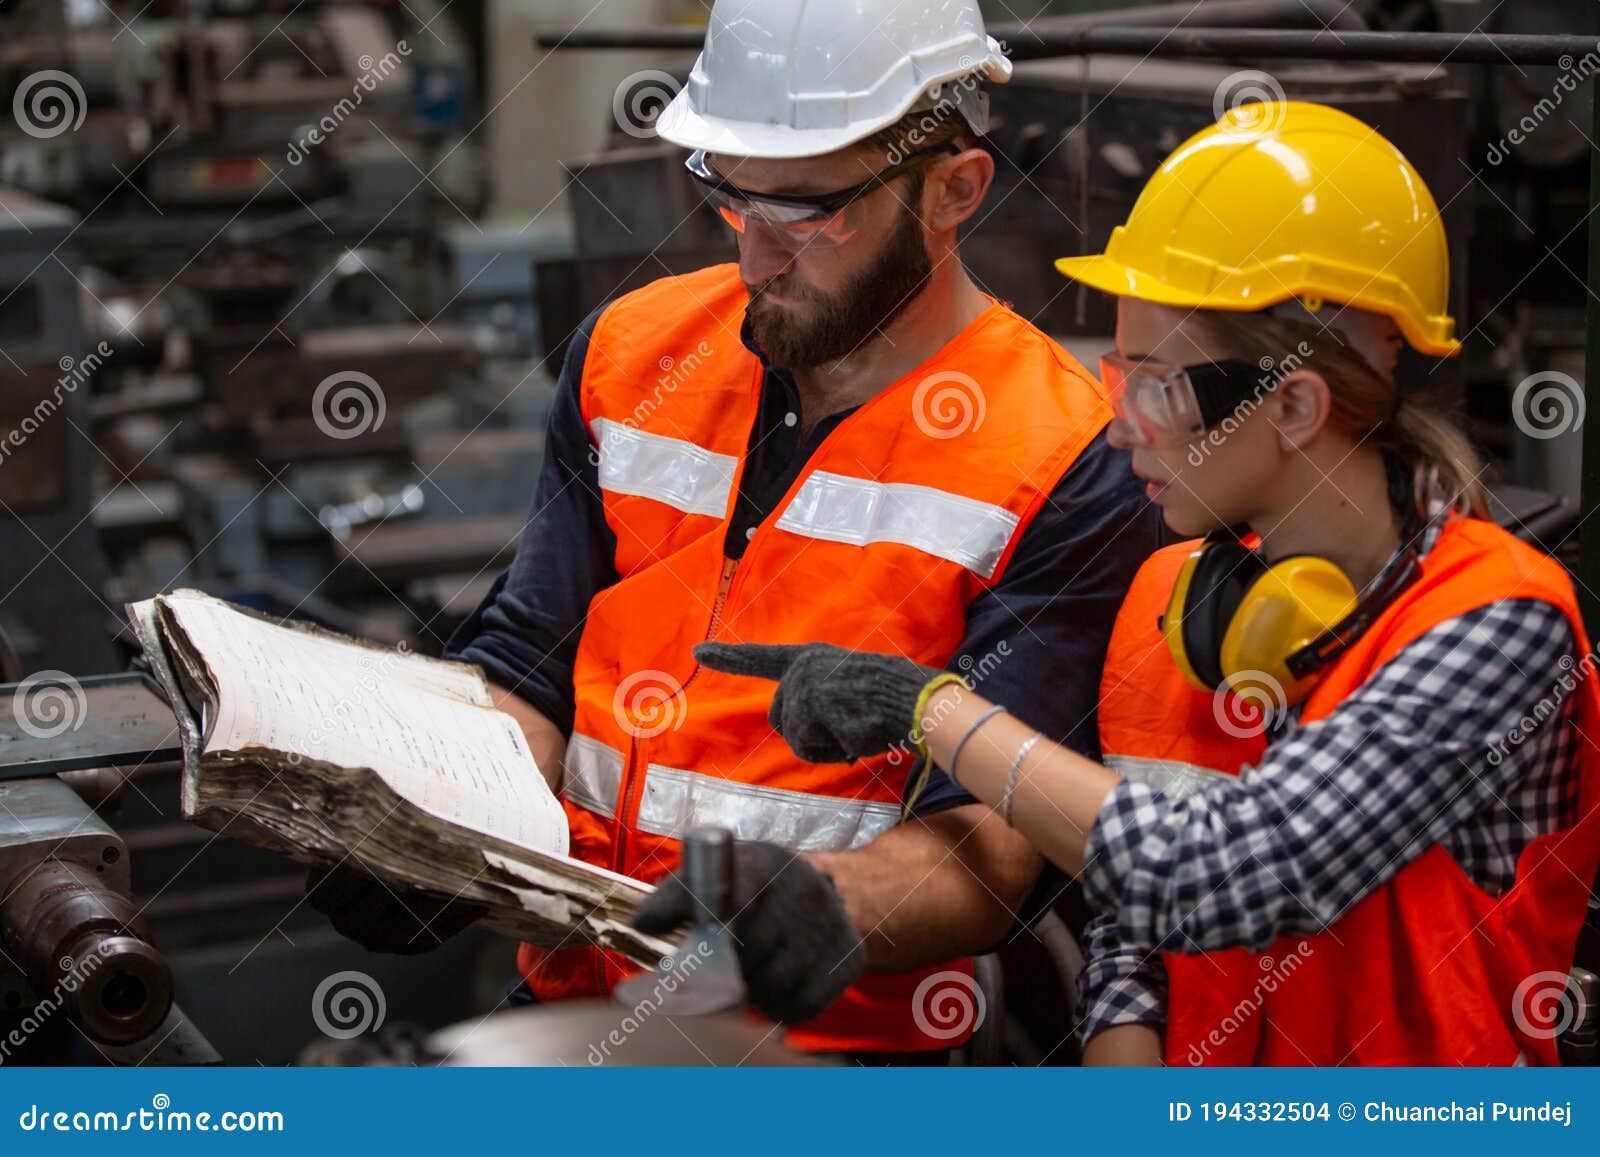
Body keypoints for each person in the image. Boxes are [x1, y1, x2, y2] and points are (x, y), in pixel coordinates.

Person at [309, 0, 1158, 1060]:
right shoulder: (634, 354)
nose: (758, 255)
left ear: (953, 190)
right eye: (725, 191)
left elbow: (989, 842)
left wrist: (824, 902)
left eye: (809, 211)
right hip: (573, 1007)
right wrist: (440, 828)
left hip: (834, 1053)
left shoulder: (1064, 456)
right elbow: (530, 657)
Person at [689, 102, 1600, 1066]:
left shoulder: (1497, 624)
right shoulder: (1179, 599)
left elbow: (1224, 871)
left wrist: (933, 713)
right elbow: (1126, 914)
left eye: (1156, 380)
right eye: (1118, 368)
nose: (1121, 424)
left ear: (1293, 399)